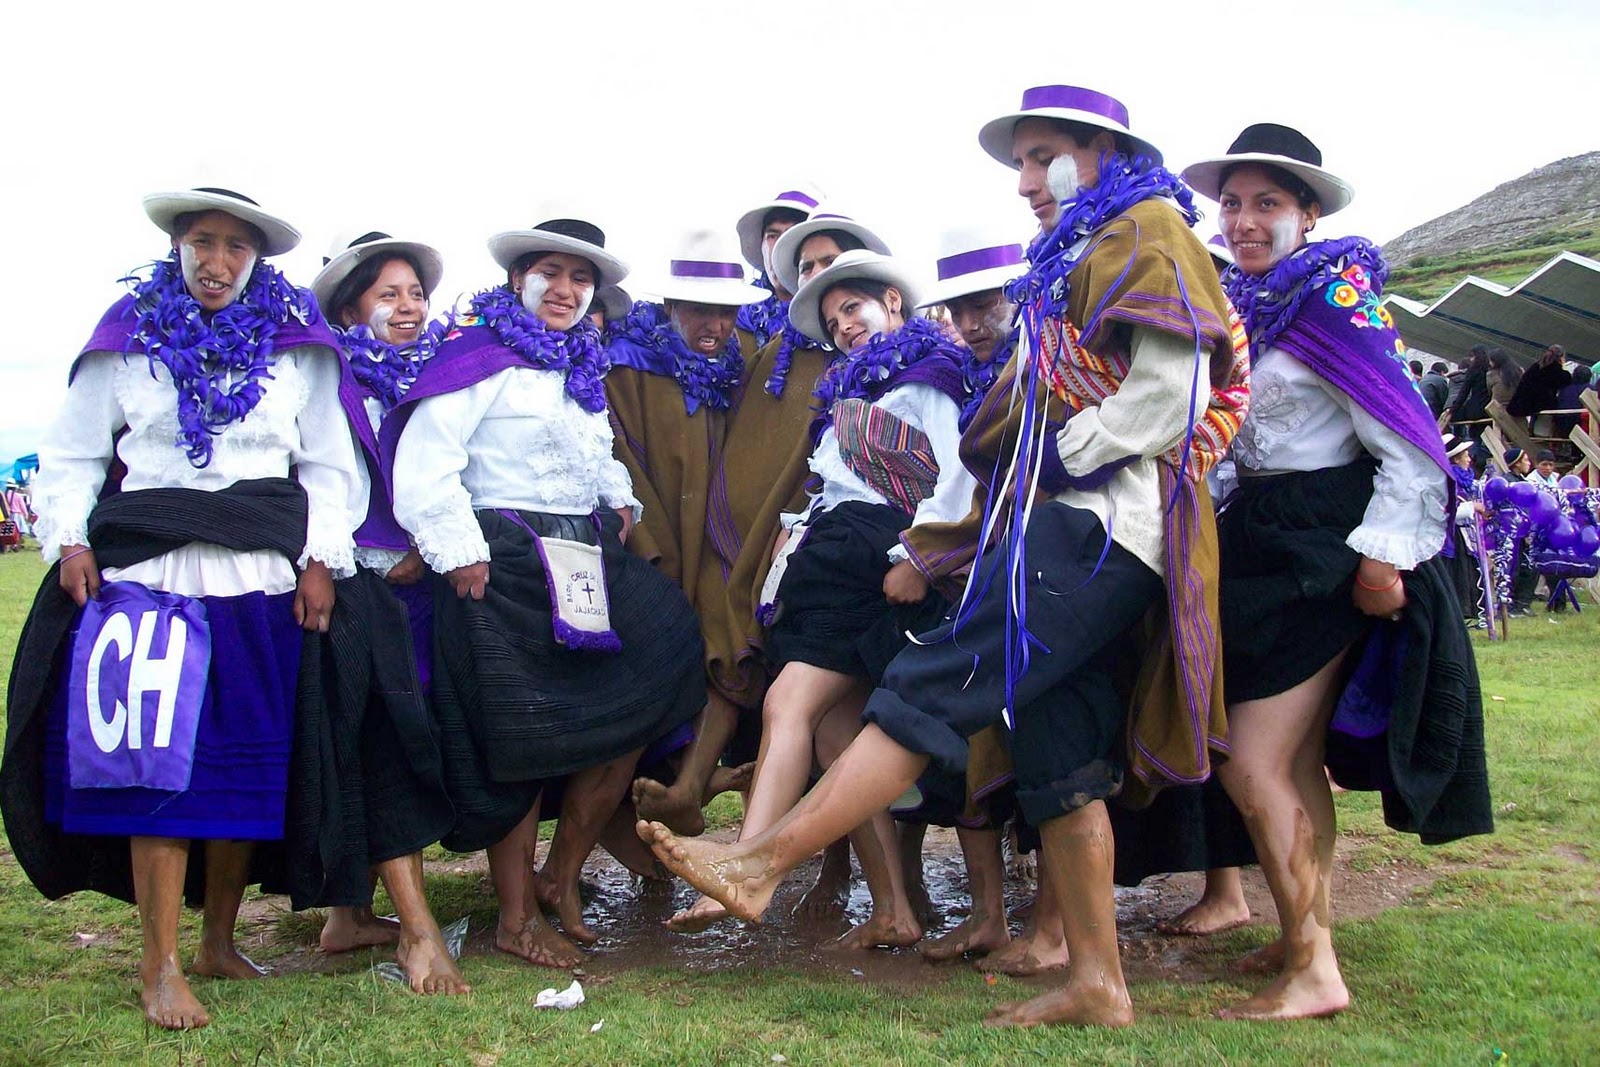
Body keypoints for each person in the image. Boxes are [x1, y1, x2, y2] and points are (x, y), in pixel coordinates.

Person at [642, 84, 1248, 1029]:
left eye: (1041, 156)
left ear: (1100, 150)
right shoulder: (1086, 250)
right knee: (1059, 756)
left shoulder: (1147, 227)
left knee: (930, 683)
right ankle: (1099, 982)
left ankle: (761, 860)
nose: (1025, 182)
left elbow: (1171, 397)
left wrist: (1061, 451)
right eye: (1018, 162)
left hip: (1095, 529)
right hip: (1048, 527)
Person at [3, 188, 365, 1029]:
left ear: (257, 258)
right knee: (155, 768)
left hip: (260, 581)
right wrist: (70, 541)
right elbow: (71, 452)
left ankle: (219, 942)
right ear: (176, 244)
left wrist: (320, 558)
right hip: (149, 577)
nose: (217, 262)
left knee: (242, 763)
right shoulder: (127, 335)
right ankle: (158, 963)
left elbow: (328, 465)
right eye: (202, 241)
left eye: (236, 247)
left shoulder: (297, 345)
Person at [1185, 122, 1492, 1018]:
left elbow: (1409, 442)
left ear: (1308, 214)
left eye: (1266, 204)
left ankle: (1316, 971)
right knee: (1294, 762)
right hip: (1263, 538)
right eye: (1233, 203)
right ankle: (1298, 934)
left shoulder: (1335, 302)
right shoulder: (1250, 307)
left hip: (1322, 543)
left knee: (1253, 760)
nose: (1243, 220)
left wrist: (1384, 558)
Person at [386, 218, 705, 962]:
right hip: (500, 563)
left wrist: (618, 498)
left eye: (579, 279)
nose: (565, 290)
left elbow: (594, 452)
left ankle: (563, 873)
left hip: (579, 558)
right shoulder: (475, 357)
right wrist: (459, 549)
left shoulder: (578, 368)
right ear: (516, 280)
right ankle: (517, 917)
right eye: (550, 273)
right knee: (522, 742)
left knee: (655, 667)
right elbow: (426, 461)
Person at [308, 230, 468, 994]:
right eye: (388, 296)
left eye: (415, 294)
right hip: (357, 577)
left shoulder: (435, 373)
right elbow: (323, 479)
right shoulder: (331, 377)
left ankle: (349, 912)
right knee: (378, 733)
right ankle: (412, 926)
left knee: (395, 730)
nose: (408, 309)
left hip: (419, 581)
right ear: (351, 307)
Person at [603, 231, 770, 839]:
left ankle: (692, 784)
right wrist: (651, 550)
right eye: (701, 309)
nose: (716, 325)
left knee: (727, 647)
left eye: (726, 312)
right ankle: (680, 790)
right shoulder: (625, 366)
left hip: (723, 546)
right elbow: (617, 455)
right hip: (656, 548)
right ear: (670, 307)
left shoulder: (742, 369)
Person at [894, 226, 1030, 964]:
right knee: (975, 749)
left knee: (1046, 751)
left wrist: (925, 552)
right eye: (958, 310)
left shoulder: (1044, 364)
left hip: (1034, 576)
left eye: (985, 306)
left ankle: (1058, 925)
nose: (971, 323)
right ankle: (989, 916)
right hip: (972, 579)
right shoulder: (974, 377)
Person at [733, 186, 822, 349]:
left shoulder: (835, 320)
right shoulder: (732, 318)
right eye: (772, 236)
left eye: (790, 234)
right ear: (761, 245)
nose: (779, 246)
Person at [1508, 344, 1570, 435]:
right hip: (1539, 405)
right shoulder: (1557, 371)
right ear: (1561, 357)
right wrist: (1563, 366)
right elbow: (1566, 380)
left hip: (1522, 404)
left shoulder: (1536, 366)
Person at [1440, 345, 1490, 438]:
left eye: (1472, 356)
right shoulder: (1490, 370)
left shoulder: (1473, 371)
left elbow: (1464, 392)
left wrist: (1453, 408)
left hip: (1476, 408)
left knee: (1474, 435)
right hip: (1489, 408)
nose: (1471, 359)